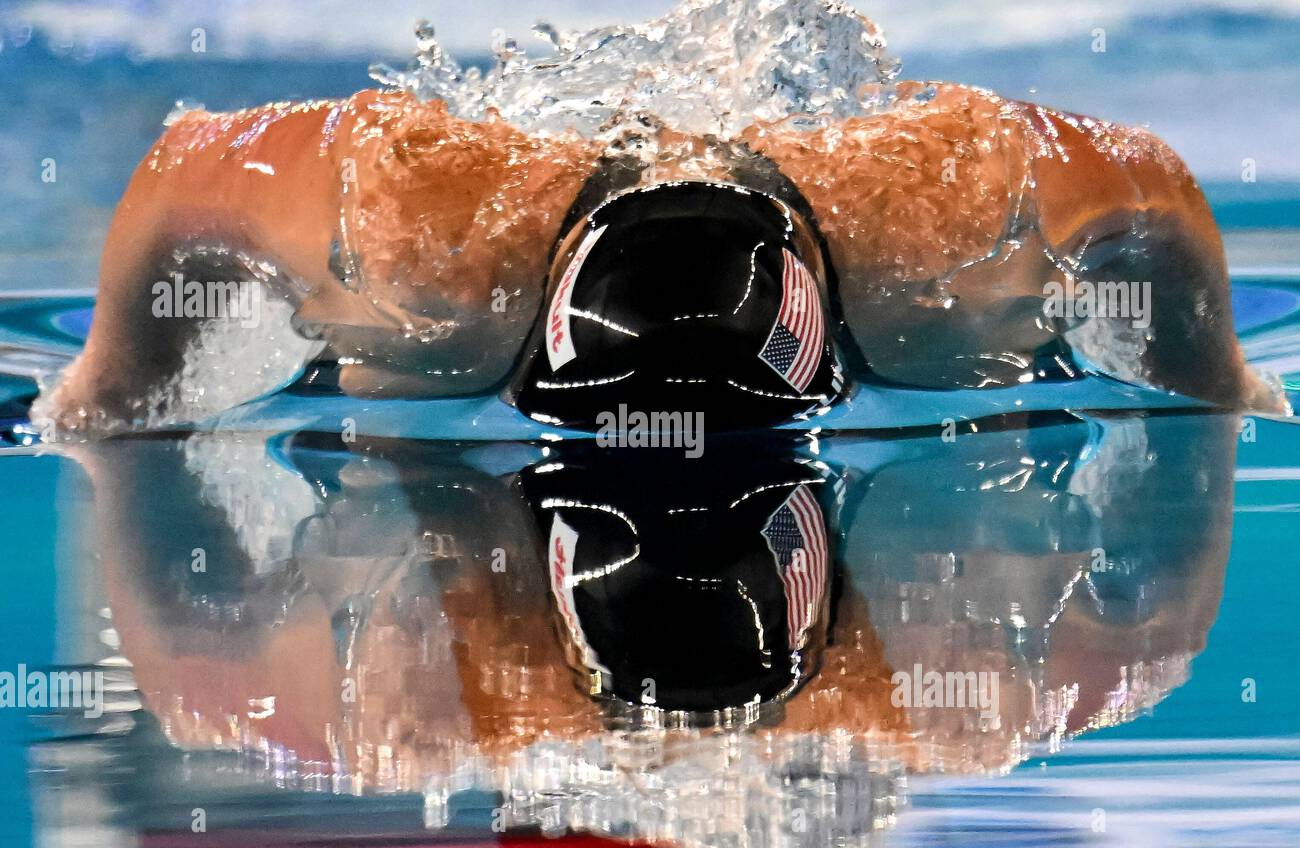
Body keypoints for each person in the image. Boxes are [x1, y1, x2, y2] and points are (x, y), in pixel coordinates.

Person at [33, 81, 1286, 434]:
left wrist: (1219, 375)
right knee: (386, 385)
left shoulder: (943, 246)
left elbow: (1156, 196)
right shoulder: (430, 243)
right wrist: (103, 388)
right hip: (508, 246)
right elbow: (190, 165)